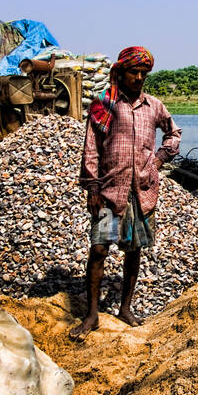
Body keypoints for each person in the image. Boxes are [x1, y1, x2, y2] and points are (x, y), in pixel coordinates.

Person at [72, 46, 181, 340]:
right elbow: (91, 147)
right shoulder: (104, 104)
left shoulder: (154, 106)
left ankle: (125, 307)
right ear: (120, 72)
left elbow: (174, 133)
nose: (139, 77)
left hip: (142, 189)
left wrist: (158, 160)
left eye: (144, 73)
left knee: (134, 250)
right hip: (110, 189)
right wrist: (92, 187)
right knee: (98, 250)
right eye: (134, 71)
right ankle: (93, 314)